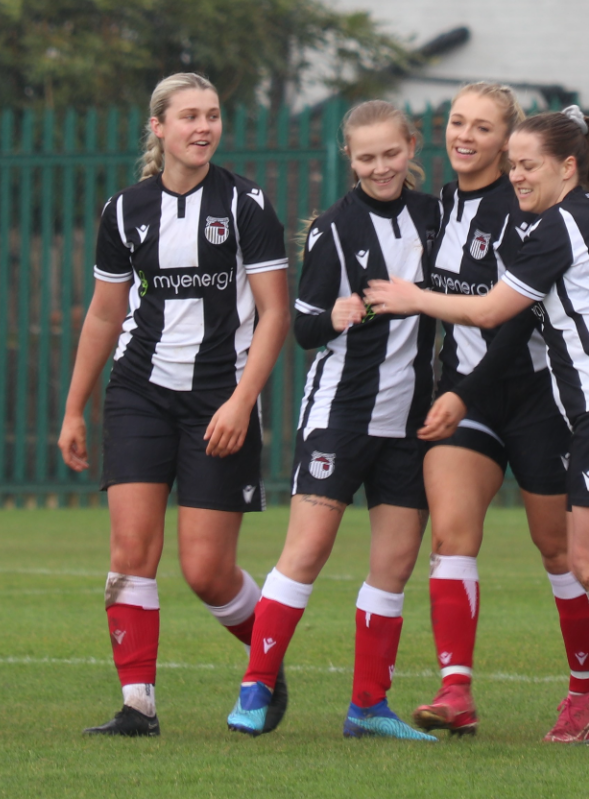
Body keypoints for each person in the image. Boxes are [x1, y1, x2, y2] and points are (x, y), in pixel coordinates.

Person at [367, 105, 589, 747]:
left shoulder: (558, 226)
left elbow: (490, 312)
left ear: (568, 166)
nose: (517, 177)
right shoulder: (587, 213)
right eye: (513, 167)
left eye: (527, 164)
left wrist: (413, 297)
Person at [58, 72, 291, 737]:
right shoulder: (125, 210)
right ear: (158, 128)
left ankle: (266, 664)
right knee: (131, 549)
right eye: (189, 116)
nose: (203, 128)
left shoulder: (246, 203)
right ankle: (138, 706)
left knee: (206, 571)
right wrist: (75, 409)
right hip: (140, 393)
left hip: (223, 398)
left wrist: (243, 401)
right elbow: (105, 316)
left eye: (212, 115)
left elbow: (274, 313)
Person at [407, 83, 589, 743]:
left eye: (483, 127)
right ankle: (456, 689)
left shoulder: (525, 209)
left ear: (509, 142)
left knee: (558, 550)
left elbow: (511, 320)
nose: (464, 135)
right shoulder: (440, 207)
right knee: (451, 535)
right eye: (456, 122)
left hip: (533, 397)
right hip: (463, 397)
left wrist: (463, 391)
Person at [226, 100, 439, 741]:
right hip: (341, 414)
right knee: (308, 550)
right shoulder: (335, 229)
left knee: (396, 562)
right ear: (349, 158)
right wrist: (339, 315)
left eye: (391, 154)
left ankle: (368, 707)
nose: (380, 167)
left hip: (411, 418)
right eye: (366, 157)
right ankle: (256, 687)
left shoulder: (437, 215)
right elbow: (304, 325)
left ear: (410, 146)